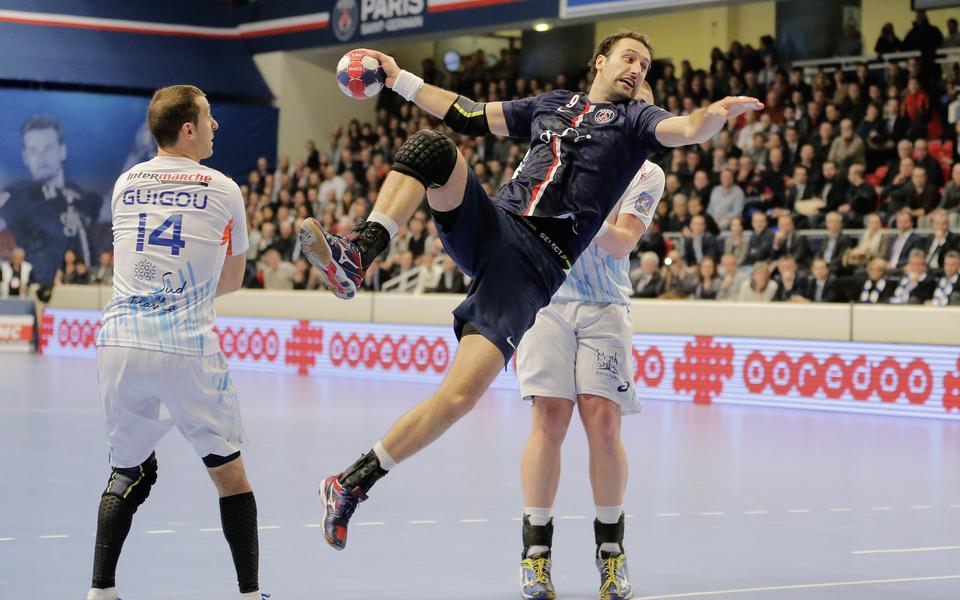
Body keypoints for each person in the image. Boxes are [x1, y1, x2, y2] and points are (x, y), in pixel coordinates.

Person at [296, 33, 762, 560]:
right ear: (600, 62)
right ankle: (359, 253)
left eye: (646, 63)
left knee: (457, 398)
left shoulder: (637, 123)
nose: (637, 68)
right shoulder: (552, 104)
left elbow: (685, 128)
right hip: (495, 225)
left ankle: (351, 482)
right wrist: (399, 78)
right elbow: (468, 112)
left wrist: (716, 113)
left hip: (535, 267)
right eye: (629, 57)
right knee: (433, 149)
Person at [89, 85, 265, 600]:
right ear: (187, 128)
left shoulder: (124, 183)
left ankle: (101, 591)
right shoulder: (223, 187)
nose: (216, 127)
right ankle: (250, 595)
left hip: (119, 342)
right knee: (230, 477)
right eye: (209, 119)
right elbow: (230, 281)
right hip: (187, 348)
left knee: (127, 472)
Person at [515, 83, 664, 597]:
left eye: (641, 103)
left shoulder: (646, 171)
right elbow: (523, 210)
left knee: (603, 424)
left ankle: (611, 553)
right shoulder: (559, 141)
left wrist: (582, 205)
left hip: (604, 307)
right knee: (549, 420)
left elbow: (623, 240)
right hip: (547, 299)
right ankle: (536, 553)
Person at [0, 115, 102, 285]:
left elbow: (110, 210)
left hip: (81, 284)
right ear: (25, 157)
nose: (41, 157)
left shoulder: (80, 195)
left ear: (62, 150)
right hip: (37, 285)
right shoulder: (17, 195)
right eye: (34, 150)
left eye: (48, 148)